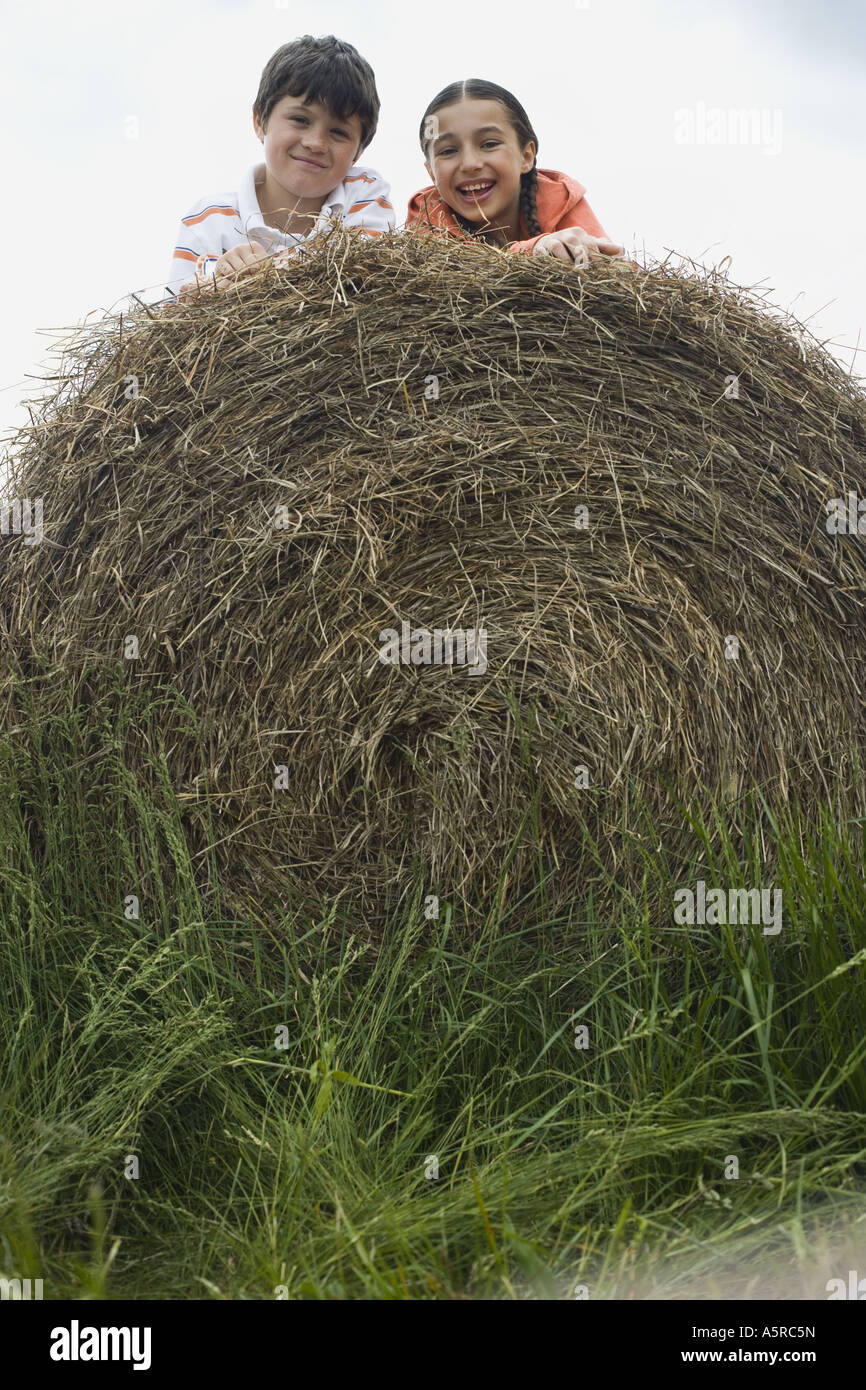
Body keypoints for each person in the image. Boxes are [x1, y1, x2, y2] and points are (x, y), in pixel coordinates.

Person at [166, 35, 395, 298]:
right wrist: (211, 289)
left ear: (359, 150)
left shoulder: (364, 193)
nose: (316, 143)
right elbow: (175, 316)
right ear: (259, 121)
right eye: (300, 119)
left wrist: (262, 277)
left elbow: (366, 274)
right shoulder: (208, 220)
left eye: (338, 132)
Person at [407, 79, 624, 265]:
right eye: (448, 151)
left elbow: (611, 272)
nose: (470, 164)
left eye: (489, 144)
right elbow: (447, 275)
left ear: (526, 156)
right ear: (432, 173)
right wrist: (534, 249)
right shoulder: (427, 213)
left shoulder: (560, 199)